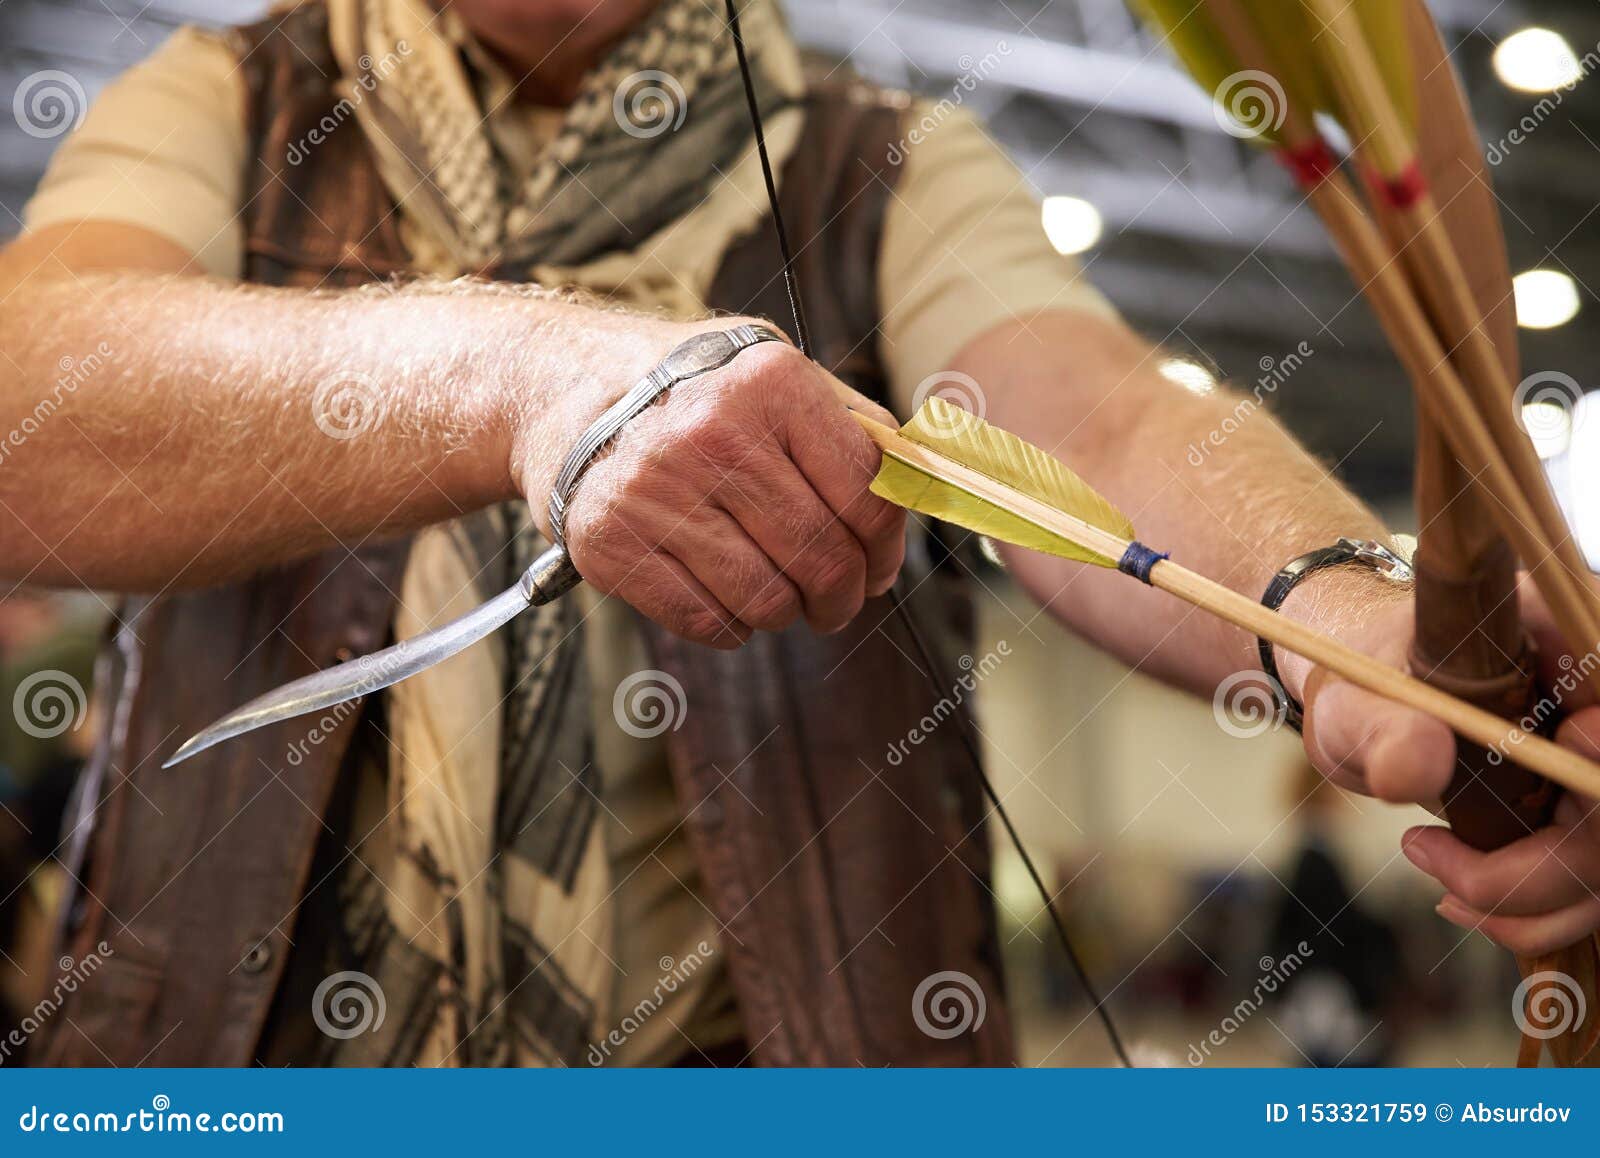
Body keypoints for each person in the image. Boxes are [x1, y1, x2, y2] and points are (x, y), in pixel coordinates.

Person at [2, 0, 1596, 1066]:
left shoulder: (872, 160)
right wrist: (520, 377)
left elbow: (1090, 419)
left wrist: (1354, 615)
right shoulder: (230, 98)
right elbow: (33, 405)